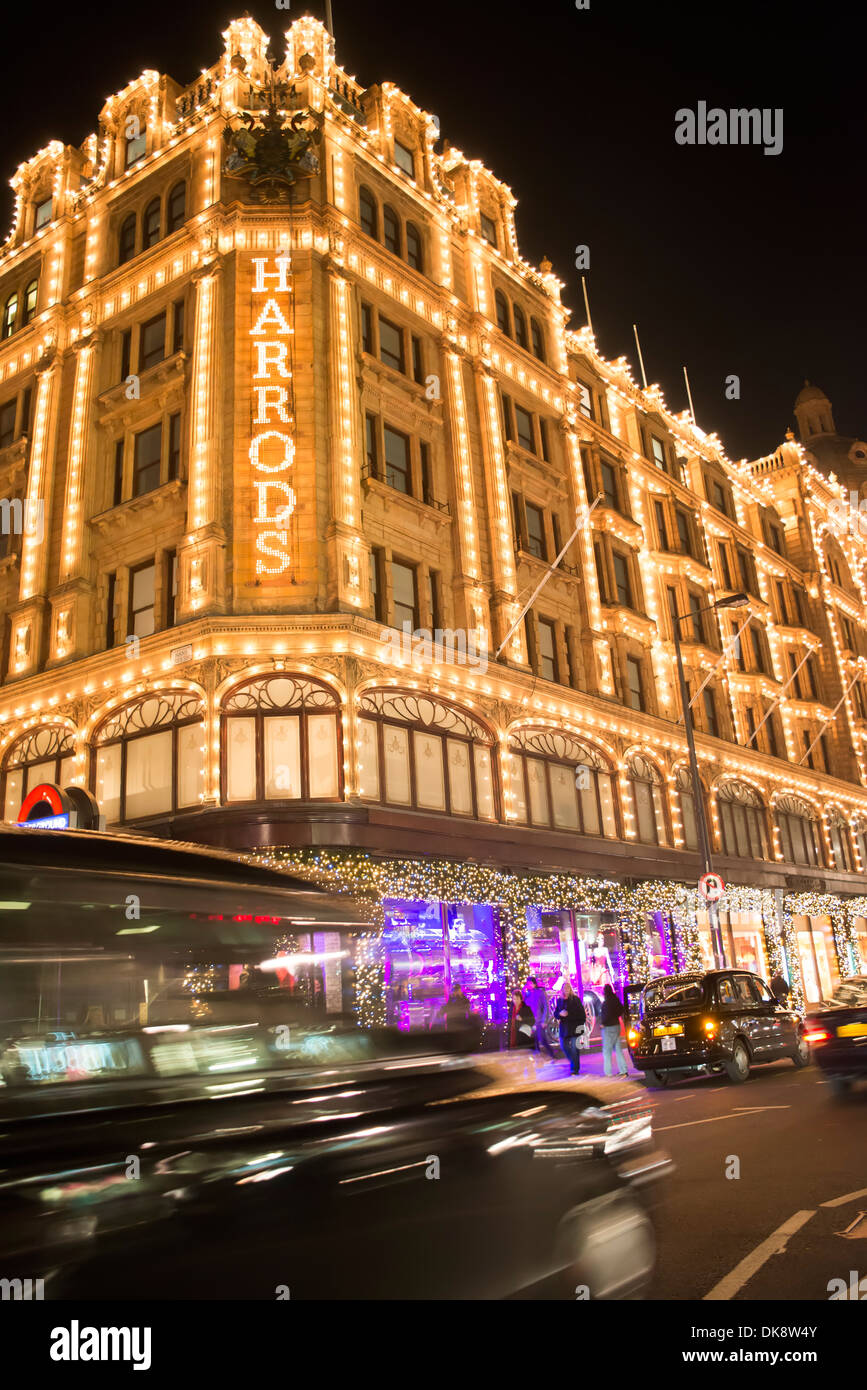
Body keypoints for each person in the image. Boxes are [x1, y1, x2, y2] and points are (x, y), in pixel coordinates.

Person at [554, 981, 586, 1075]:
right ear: (562, 990)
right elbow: (556, 1013)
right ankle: (574, 1062)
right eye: (564, 988)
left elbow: (581, 1014)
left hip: (574, 1028)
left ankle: (575, 1069)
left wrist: (568, 1015)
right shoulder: (560, 1000)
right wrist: (560, 1014)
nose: (566, 990)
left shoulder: (575, 1000)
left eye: (568, 988)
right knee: (564, 1046)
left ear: (570, 989)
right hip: (564, 1029)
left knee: (574, 1048)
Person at [599, 982, 629, 1077]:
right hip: (616, 1025)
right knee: (618, 1049)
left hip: (608, 1027)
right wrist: (615, 1016)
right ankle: (623, 1069)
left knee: (607, 1051)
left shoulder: (606, 1002)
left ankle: (608, 1072)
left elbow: (606, 1015)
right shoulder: (615, 999)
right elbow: (621, 1009)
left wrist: (603, 1023)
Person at [525, 975, 556, 1059]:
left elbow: (546, 1006)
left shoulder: (540, 993)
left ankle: (552, 1055)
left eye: (531, 983)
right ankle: (539, 1057)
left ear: (535, 984)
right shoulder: (527, 994)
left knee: (542, 1039)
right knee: (534, 1041)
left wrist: (544, 1020)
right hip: (531, 1021)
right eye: (528, 983)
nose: (529, 985)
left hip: (539, 1020)